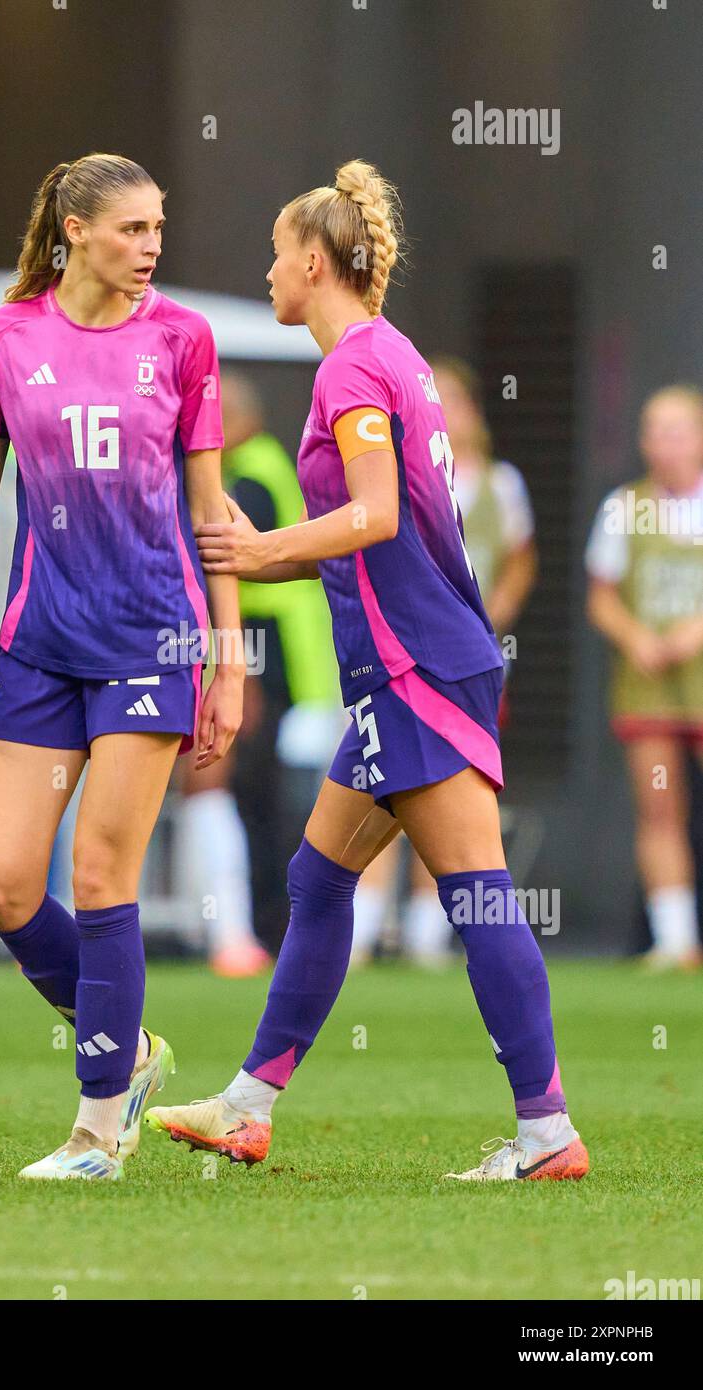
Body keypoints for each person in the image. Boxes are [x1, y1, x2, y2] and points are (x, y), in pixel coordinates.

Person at [146, 158, 588, 1182]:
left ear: (312, 260)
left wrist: (260, 552)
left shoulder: (350, 368)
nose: (266, 273)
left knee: (474, 893)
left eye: (272, 255)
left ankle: (546, 1130)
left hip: (414, 666)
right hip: (415, 665)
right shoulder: (392, 355)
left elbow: (377, 513)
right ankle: (249, 1105)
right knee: (319, 877)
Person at [0, 153, 244, 1181]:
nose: (152, 248)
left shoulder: (181, 341)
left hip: (152, 638)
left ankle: (96, 1131)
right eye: (132, 230)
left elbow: (213, 517)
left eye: (159, 228)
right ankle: (133, 1048)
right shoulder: (6, 339)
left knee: (101, 874)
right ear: (73, 230)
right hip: (40, 645)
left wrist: (227, 656)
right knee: (3, 884)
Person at [352, 355, 538, 965]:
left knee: (447, 795)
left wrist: (494, 616)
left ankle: (428, 930)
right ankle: (366, 926)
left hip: (462, 654)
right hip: (399, 650)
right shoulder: (401, 468)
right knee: (380, 787)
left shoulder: (500, 483)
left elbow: (520, 560)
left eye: (455, 399)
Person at [177, 372, 339, 974]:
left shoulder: (247, 477)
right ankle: (257, 928)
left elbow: (234, 570)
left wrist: (232, 669)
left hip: (275, 661)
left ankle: (258, 929)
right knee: (261, 796)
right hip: (290, 660)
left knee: (252, 794)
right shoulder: (269, 464)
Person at [586, 384, 703, 969]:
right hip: (650, 687)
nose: (665, 444)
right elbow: (601, 598)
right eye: (655, 431)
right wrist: (637, 638)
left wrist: (694, 632)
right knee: (660, 809)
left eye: (678, 430)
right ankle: (676, 940)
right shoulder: (623, 506)